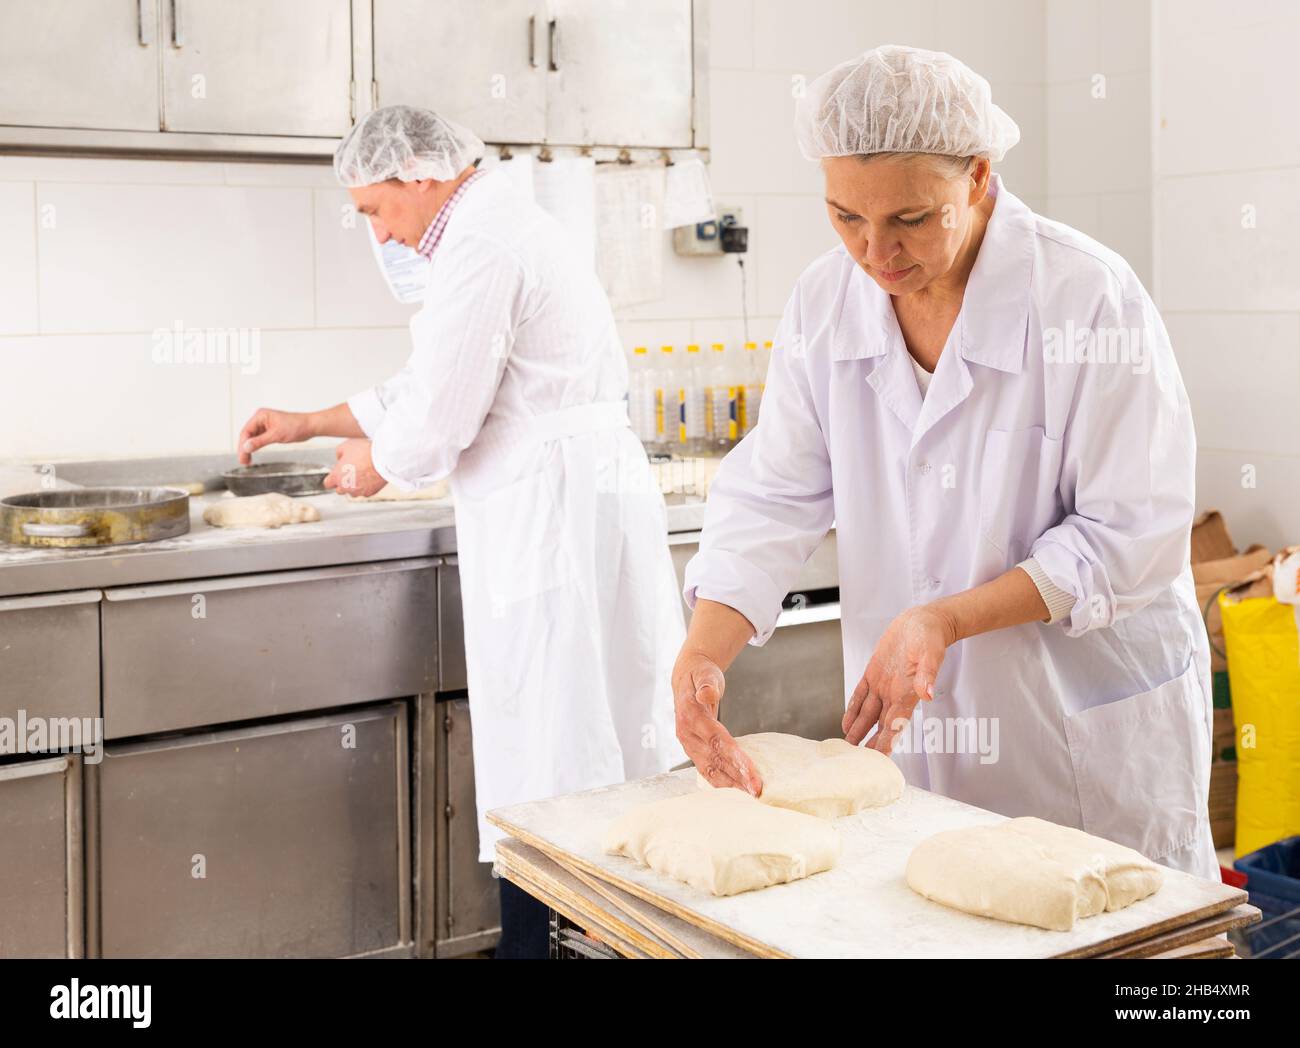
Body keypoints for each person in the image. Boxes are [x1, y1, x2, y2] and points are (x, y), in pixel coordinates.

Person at [673, 46, 1218, 880]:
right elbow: (775, 490)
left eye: (911, 219)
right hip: (916, 751)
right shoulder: (826, 305)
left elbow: (1131, 535)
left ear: (979, 176)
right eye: (845, 216)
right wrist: (706, 652)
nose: (874, 252)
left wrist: (946, 618)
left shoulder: (1088, 300)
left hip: (1075, 740)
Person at [236, 105, 688, 955]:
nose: (378, 234)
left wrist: (380, 462)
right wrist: (312, 423)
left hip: (550, 519)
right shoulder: (493, 226)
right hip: (569, 504)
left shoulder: (483, 244)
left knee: (556, 757)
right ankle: (576, 937)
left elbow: (437, 417)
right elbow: (430, 378)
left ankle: (546, 946)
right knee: (587, 741)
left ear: (417, 174)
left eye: (375, 210)